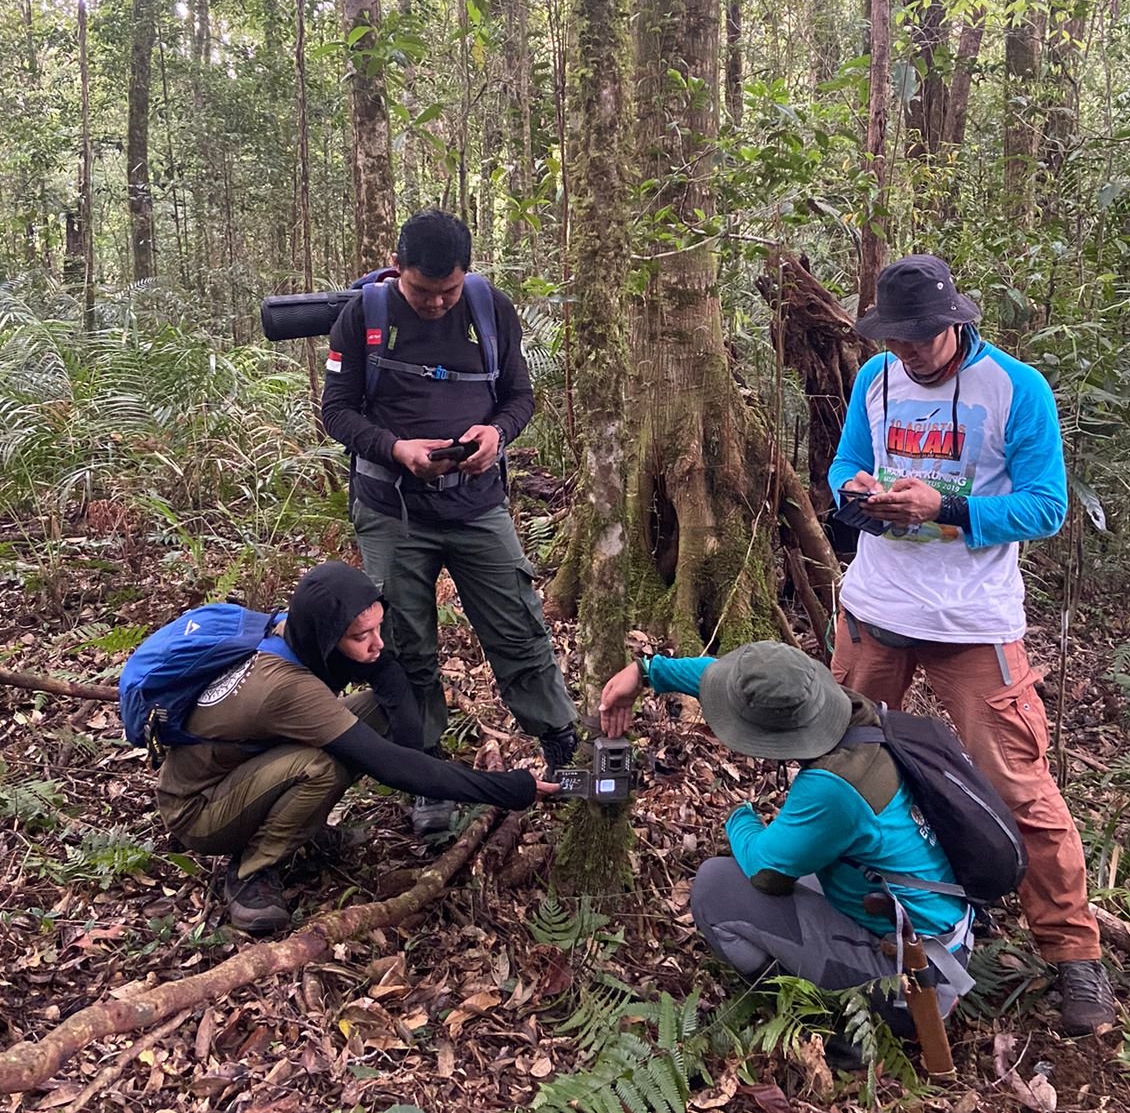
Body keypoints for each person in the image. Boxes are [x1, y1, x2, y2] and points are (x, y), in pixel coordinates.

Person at [829, 253, 1114, 1035]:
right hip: (877, 606)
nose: (910, 351)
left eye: (922, 336)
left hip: (972, 621)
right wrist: (852, 492)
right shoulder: (875, 380)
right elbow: (847, 461)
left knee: (1019, 784)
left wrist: (946, 505)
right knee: (841, 760)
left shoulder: (1017, 389)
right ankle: (860, 909)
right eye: (897, 338)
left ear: (956, 321)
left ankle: (1073, 954)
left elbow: (1046, 506)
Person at [321, 209, 578, 836]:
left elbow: (520, 396)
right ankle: (427, 773)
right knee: (405, 642)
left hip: (478, 506)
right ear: (397, 270)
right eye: (421, 290)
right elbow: (337, 412)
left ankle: (564, 748)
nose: (436, 302)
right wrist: (396, 450)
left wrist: (498, 432)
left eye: (449, 290)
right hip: (393, 511)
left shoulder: (491, 309)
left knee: (517, 623)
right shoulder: (363, 317)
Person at [156, 562, 557, 935]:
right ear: (328, 634)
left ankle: (300, 829)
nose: (376, 644)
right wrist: (510, 789)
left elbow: (389, 676)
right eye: (360, 636)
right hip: (199, 811)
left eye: (377, 628)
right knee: (320, 766)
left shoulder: (293, 633)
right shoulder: (287, 687)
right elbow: (388, 765)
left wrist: (416, 754)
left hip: (243, 771)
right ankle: (250, 872)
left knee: (376, 710)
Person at [598, 642, 974, 1025]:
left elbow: (765, 873)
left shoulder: (834, 788)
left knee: (716, 886)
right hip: (935, 929)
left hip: (913, 974)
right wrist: (647, 672)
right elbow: (730, 684)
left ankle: (825, 1023)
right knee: (796, 864)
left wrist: (739, 819)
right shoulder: (852, 714)